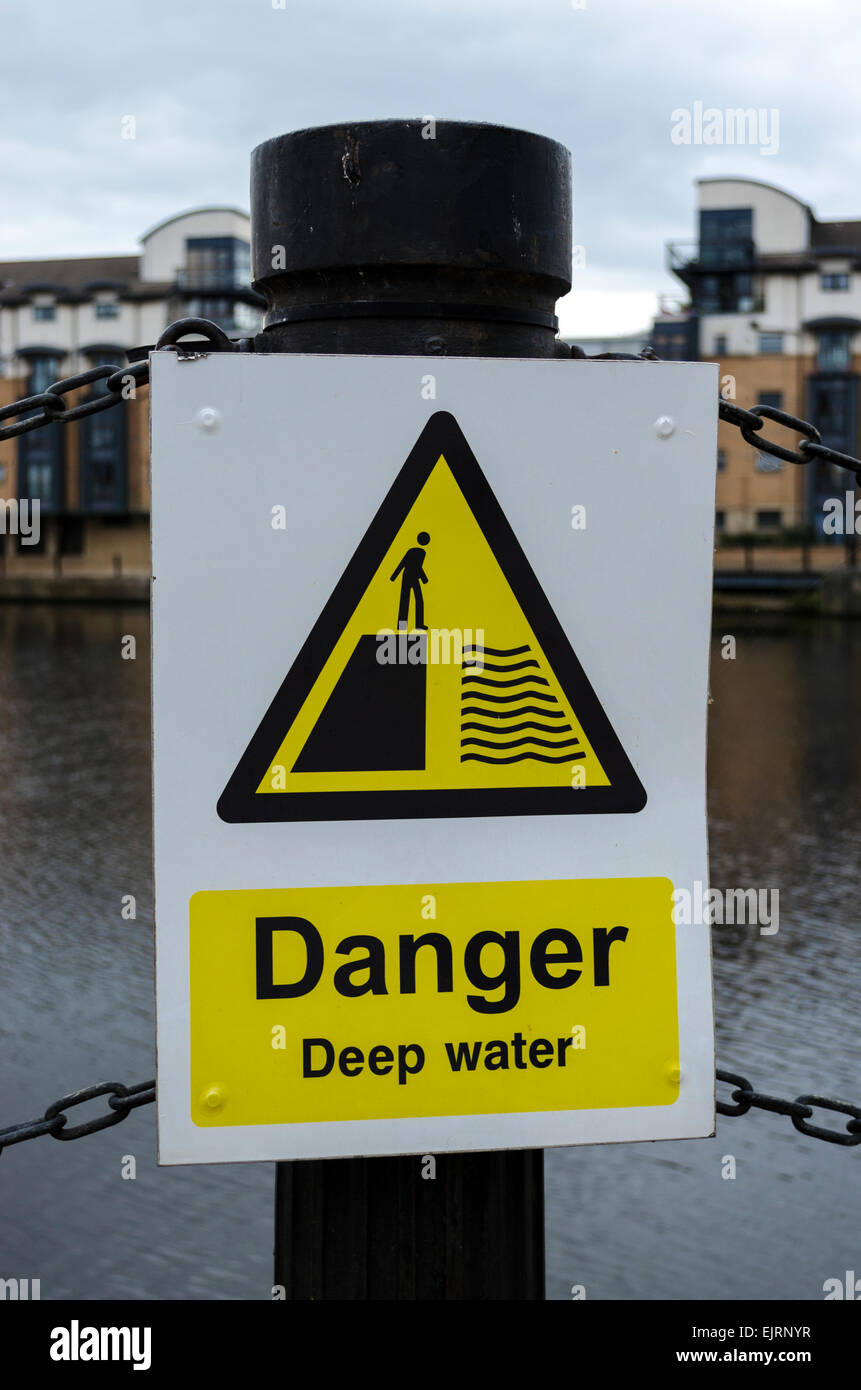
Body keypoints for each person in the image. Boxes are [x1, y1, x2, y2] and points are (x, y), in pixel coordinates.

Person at [390, 531, 430, 629]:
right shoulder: (420, 552)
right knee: (406, 600)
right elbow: (409, 564)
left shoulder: (420, 552)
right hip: (408, 577)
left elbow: (412, 565)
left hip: (413, 577)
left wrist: (393, 577)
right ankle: (403, 625)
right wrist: (424, 579)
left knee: (417, 600)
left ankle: (418, 624)